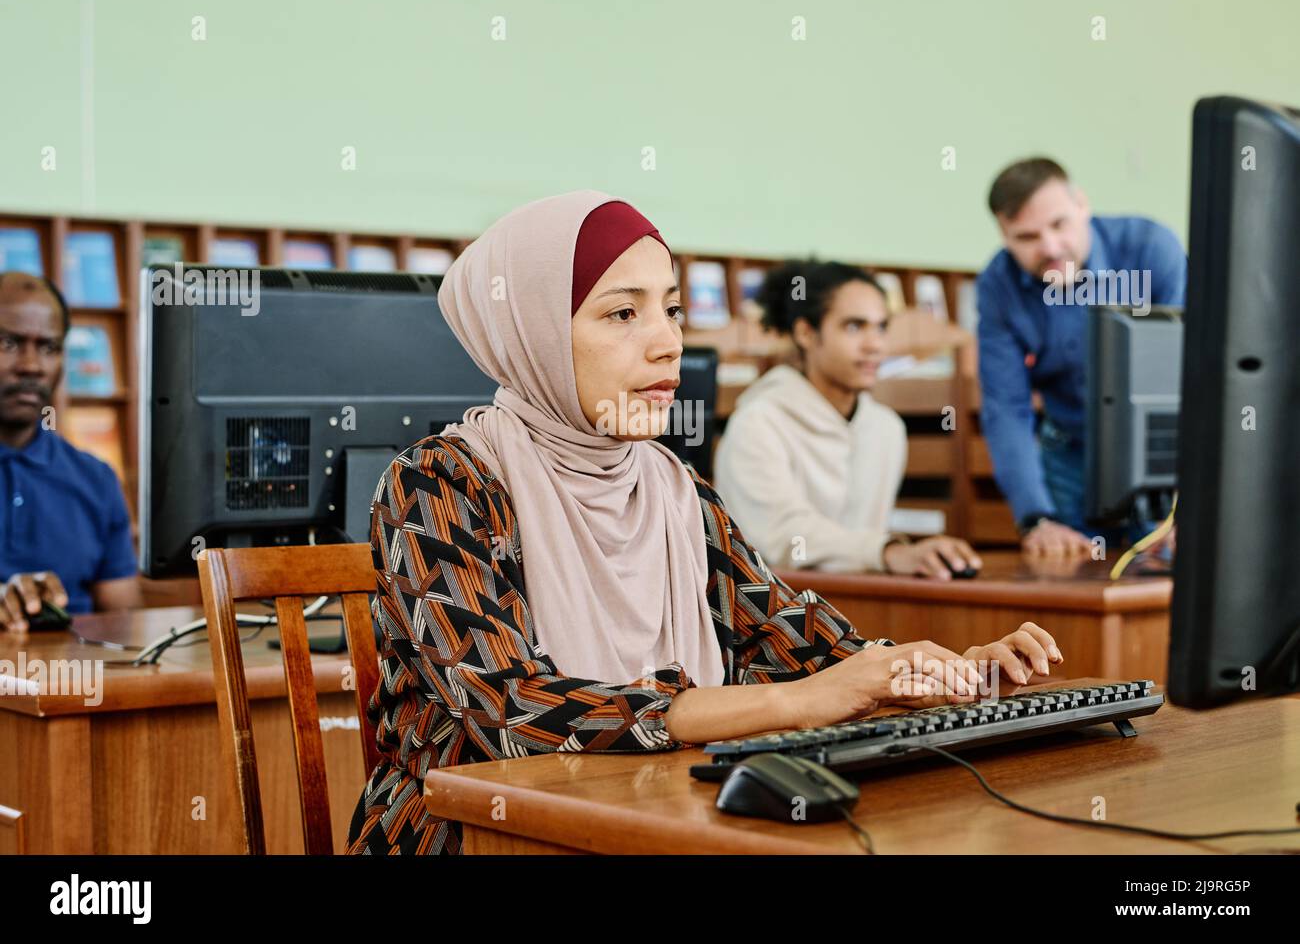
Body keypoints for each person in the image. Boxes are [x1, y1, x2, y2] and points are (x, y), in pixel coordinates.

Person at [345, 191, 1063, 855]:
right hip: (473, 834)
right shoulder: (439, 482)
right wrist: (794, 703)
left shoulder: (674, 488)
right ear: (528, 333)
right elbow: (513, 714)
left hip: (647, 816)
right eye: (624, 314)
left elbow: (800, 642)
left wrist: (940, 673)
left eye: (673, 310)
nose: (666, 344)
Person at [714, 260, 980, 580]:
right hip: (776, 617)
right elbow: (782, 537)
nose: (875, 345)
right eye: (854, 326)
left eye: (881, 327)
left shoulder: (887, 429)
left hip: (863, 604)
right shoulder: (757, 423)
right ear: (806, 333)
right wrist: (887, 551)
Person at [976, 158, 1186, 557]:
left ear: (1082, 205)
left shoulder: (1150, 247)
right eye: (1027, 236)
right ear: (1004, 235)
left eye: (1059, 225)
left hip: (1165, 448)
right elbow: (1006, 408)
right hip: (1069, 449)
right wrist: (1035, 518)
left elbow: (1195, 370)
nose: (1050, 248)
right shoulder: (997, 287)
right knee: (1070, 571)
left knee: (1174, 569)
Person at [0, 272, 141, 631]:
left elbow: (123, 626)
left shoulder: (97, 480)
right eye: (9, 343)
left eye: (49, 347)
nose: (31, 366)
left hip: (77, 680)